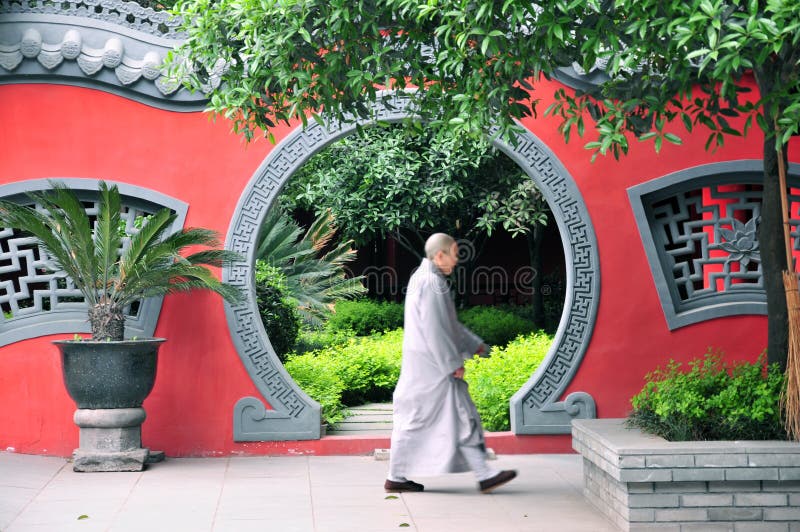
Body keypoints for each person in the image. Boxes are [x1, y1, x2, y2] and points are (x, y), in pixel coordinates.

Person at [384, 233, 517, 494]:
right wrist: (452, 362)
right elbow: (436, 328)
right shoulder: (432, 282)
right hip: (433, 369)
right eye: (455, 253)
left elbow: (447, 324)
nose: (457, 260)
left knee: (440, 418)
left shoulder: (423, 279)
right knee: (451, 418)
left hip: (426, 367)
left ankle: (399, 476)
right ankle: (483, 473)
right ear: (440, 255)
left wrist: (473, 344)